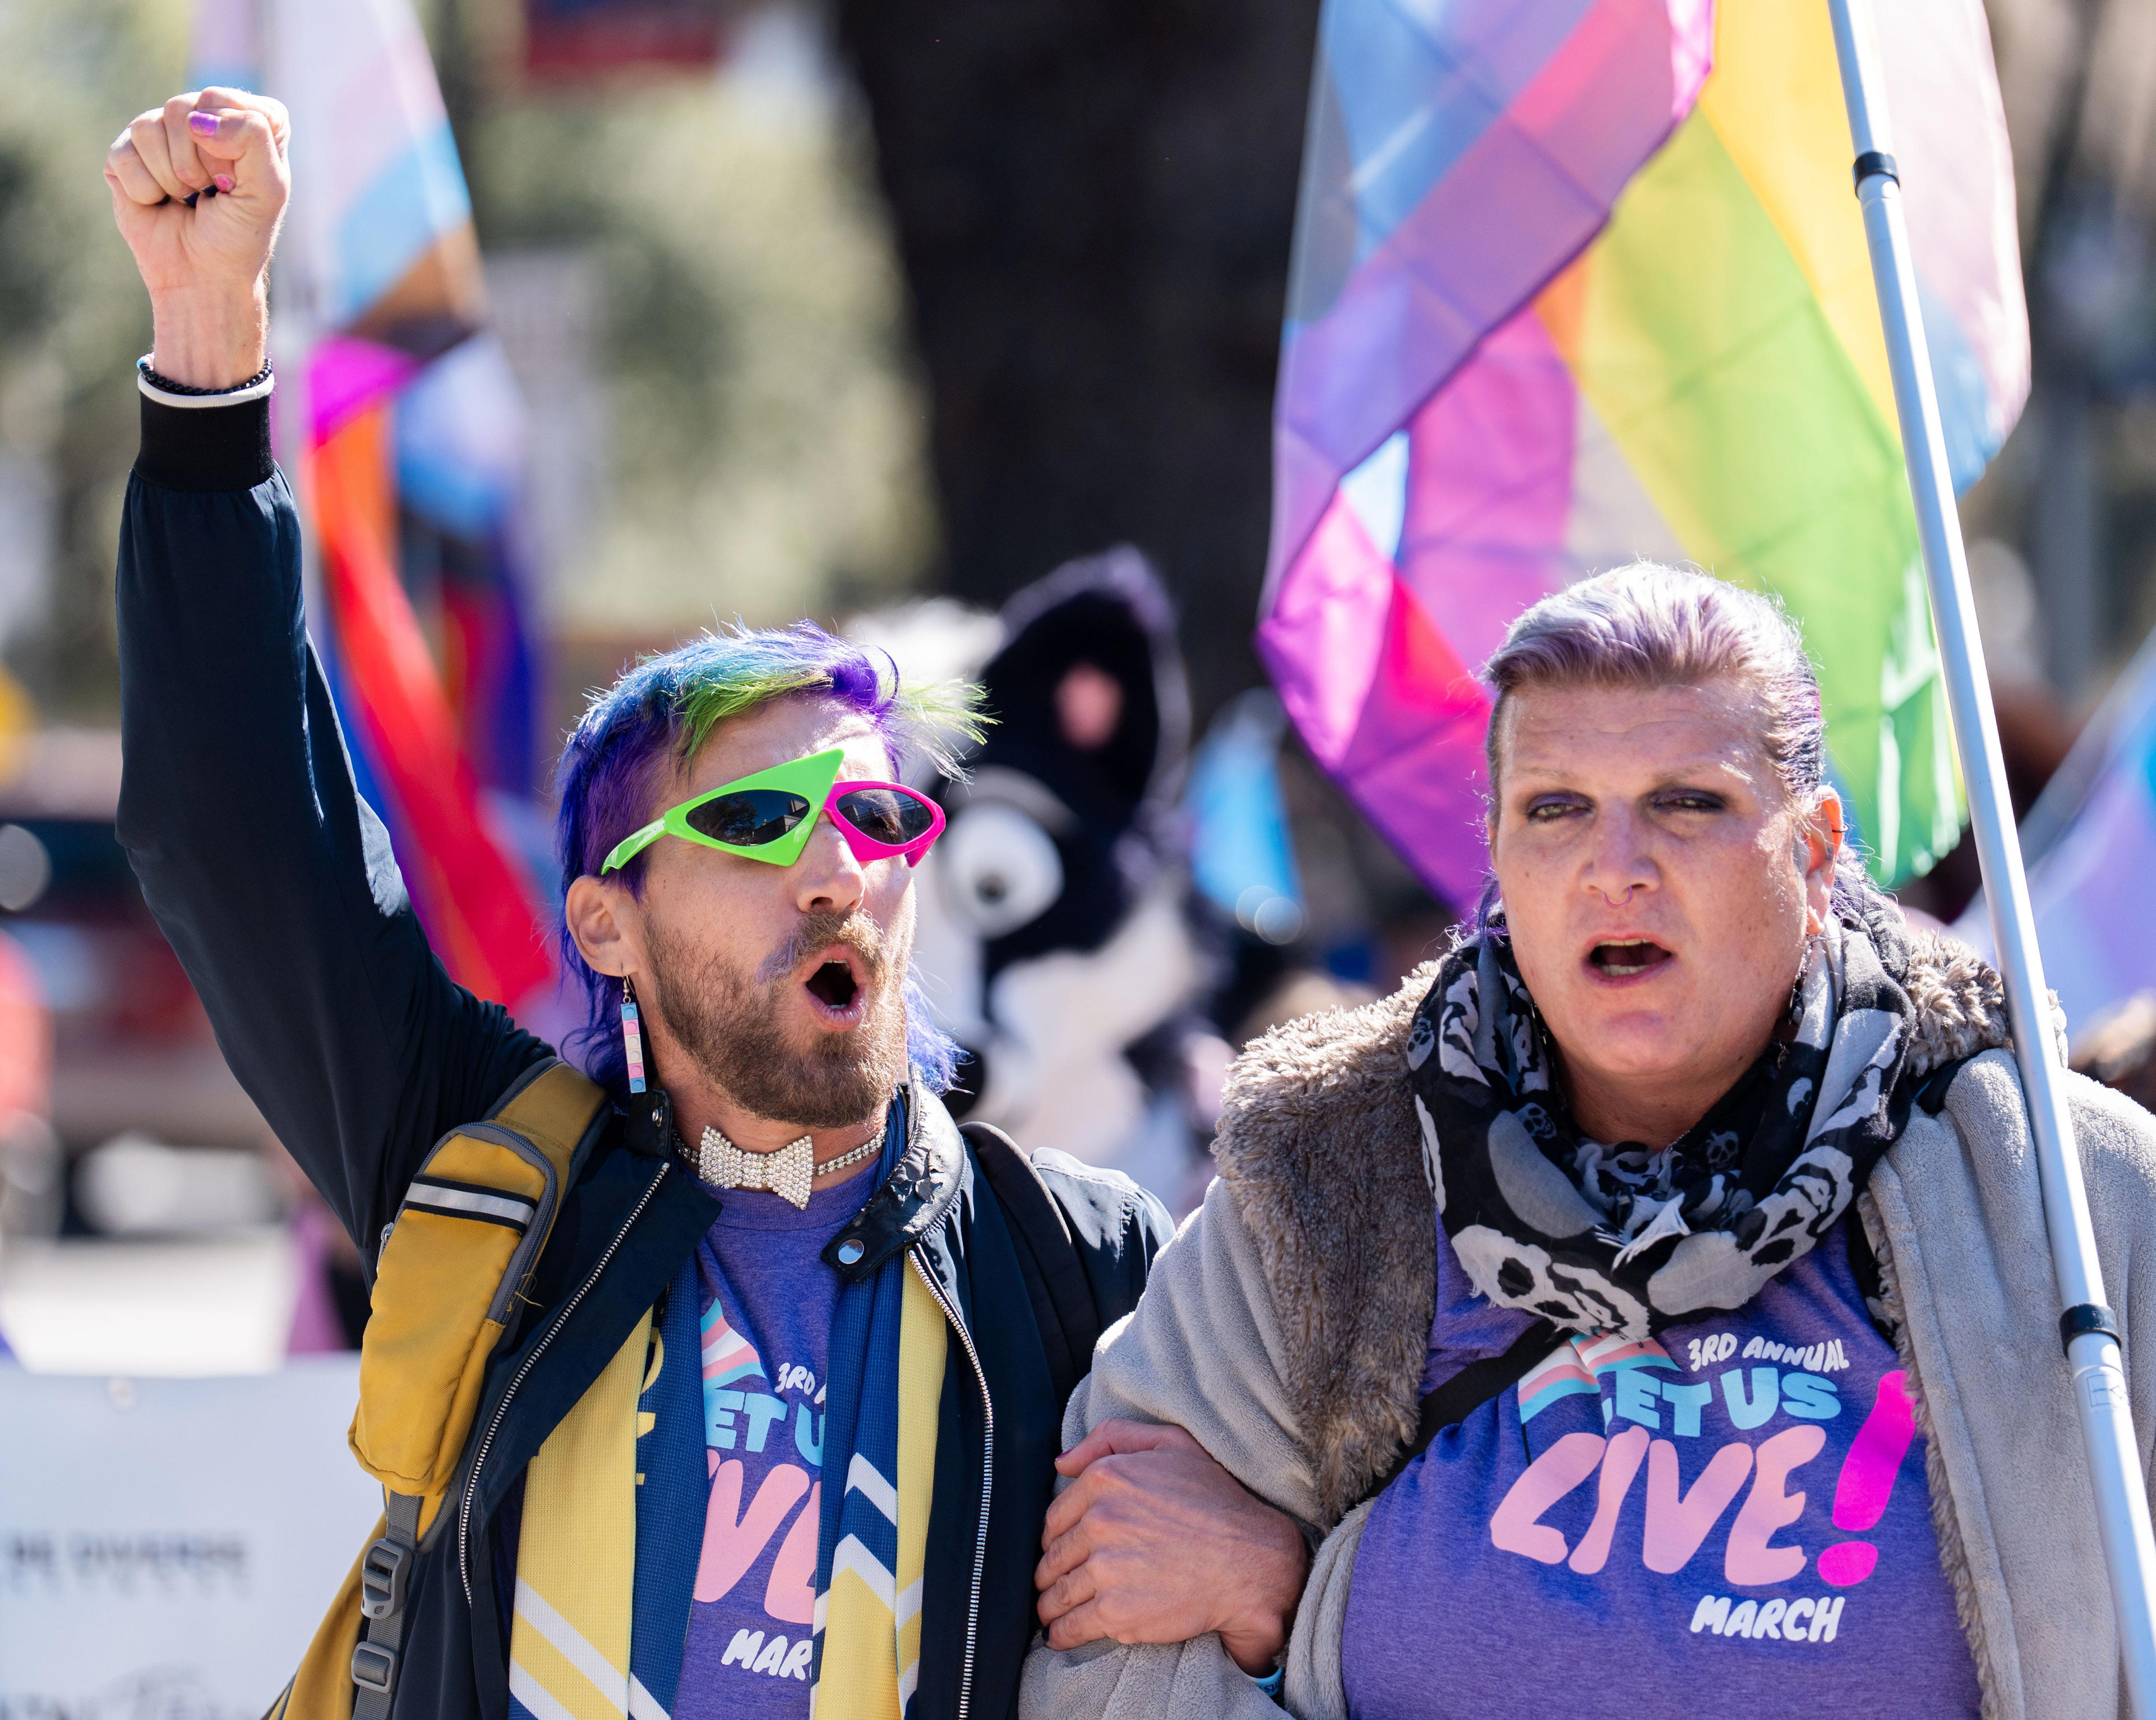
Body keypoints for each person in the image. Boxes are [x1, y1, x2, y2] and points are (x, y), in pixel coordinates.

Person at [104, 89, 1175, 1719]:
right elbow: (240, 835)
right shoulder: (482, 1162)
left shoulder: (1076, 1260)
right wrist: (204, 349)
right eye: (752, 819)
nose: (837, 868)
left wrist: (1240, 1530)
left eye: (878, 817)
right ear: (604, 924)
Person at [1021, 565, 2156, 1718]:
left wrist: (1297, 1590)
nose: (1617, 865)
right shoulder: (1321, 1188)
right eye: (1556, 808)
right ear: (1501, 861)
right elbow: (1107, 1665)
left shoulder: (2062, 1198)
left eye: (1688, 802)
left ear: (1814, 854)